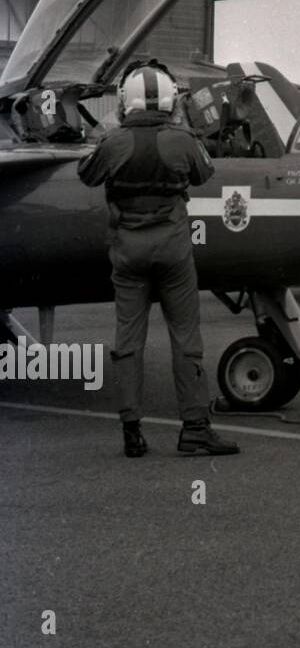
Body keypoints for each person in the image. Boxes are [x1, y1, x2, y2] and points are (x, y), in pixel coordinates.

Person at [76, 60, 240, 458]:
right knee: (185, 337)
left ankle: (132, 431)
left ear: (124, 102)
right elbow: (205, 173)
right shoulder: (182, 139)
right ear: (170, 101)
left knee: (128, 340)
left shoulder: (113, 143)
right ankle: (195, 429)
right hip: (172, 249)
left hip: (128, 251)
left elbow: (87, 174)